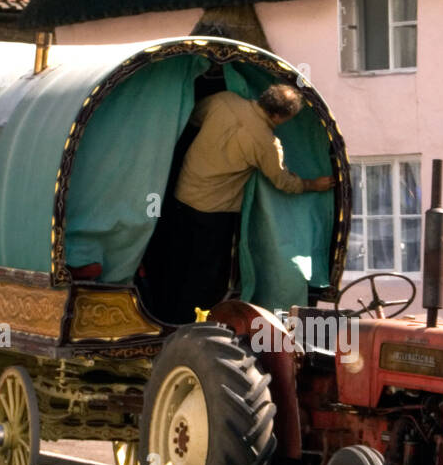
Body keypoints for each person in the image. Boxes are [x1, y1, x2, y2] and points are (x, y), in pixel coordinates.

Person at [142, 82, 333, 323]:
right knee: (205, 275)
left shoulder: (223, 100)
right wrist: (314, 185)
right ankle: (192, 325)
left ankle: (162, 314)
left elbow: (191, 119)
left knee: (175, 259)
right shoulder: (266, 143)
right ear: (278, 116)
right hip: (214, 211)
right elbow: (283, 182)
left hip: (181, 194)